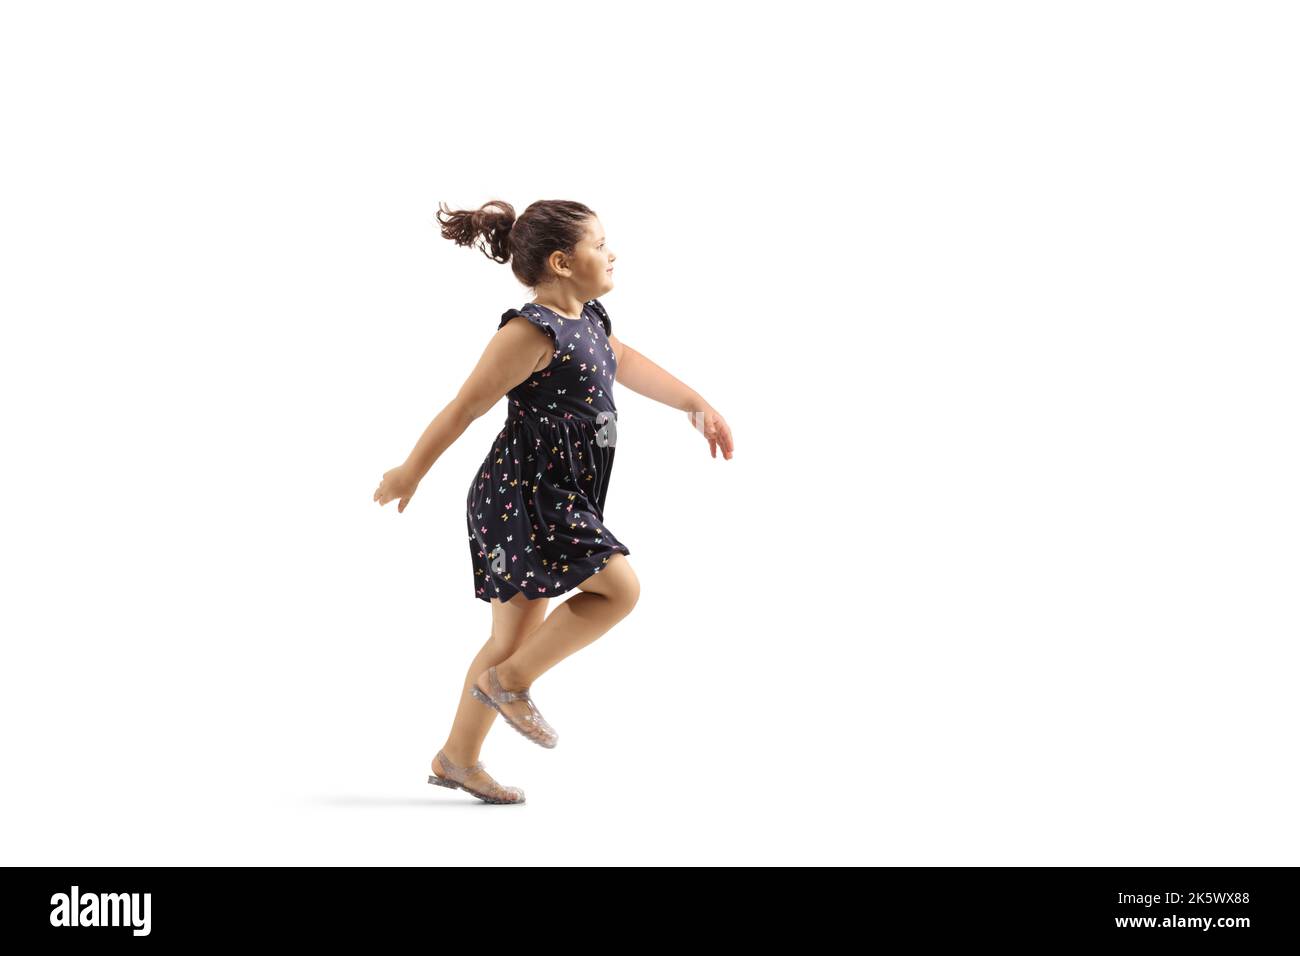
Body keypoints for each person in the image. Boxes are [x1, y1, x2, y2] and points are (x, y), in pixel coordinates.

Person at [373, 199, 735, 804]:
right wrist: (411, 471)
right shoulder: (529, 332)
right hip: (526, 495)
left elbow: (627, 363)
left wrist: (697, 404)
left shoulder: (591, 317)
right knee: (619, 589)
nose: (612, 251)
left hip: (562, 492)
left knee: (511, 635)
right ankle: (509, 683)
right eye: (599, 243)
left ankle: (458, 757)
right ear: (564, 261)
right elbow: (465, 407)